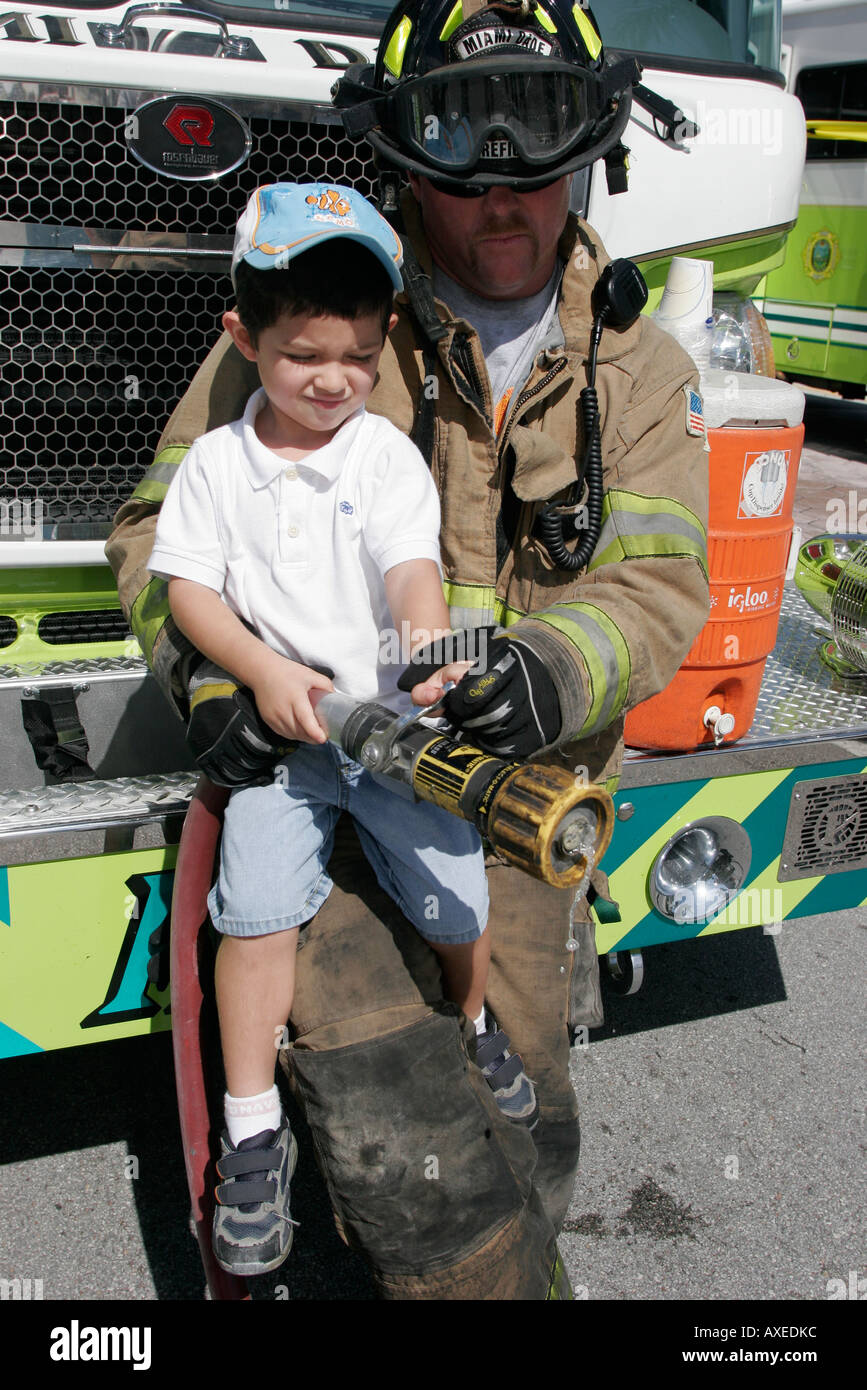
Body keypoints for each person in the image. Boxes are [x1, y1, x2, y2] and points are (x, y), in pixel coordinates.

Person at [107, 0, 710, 1299]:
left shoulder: (640, 371)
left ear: (587, 148)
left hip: (523, 801)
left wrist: (543, 673)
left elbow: (660, 578)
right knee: (407, 1136)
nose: (500, 197)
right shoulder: (336, 306)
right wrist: (208, 673)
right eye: (458, 149)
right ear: (407, 158)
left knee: (521, 1119)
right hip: (321, 768)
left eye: (535, 145)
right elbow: (165, 525)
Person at [147, 181, 533, 1276]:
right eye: (305, 355)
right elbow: (190, 592)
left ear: (385, 342)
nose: (334, 382)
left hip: (387, 732)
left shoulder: (383, 457)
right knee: (254, 914)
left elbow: (415, 575)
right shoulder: (220, 465)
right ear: (243, 336)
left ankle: (472, 1020)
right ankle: (254, 1131)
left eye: (360, 356)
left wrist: (426, 650)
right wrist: (256, 672)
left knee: (461, 888)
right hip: (285, 743)